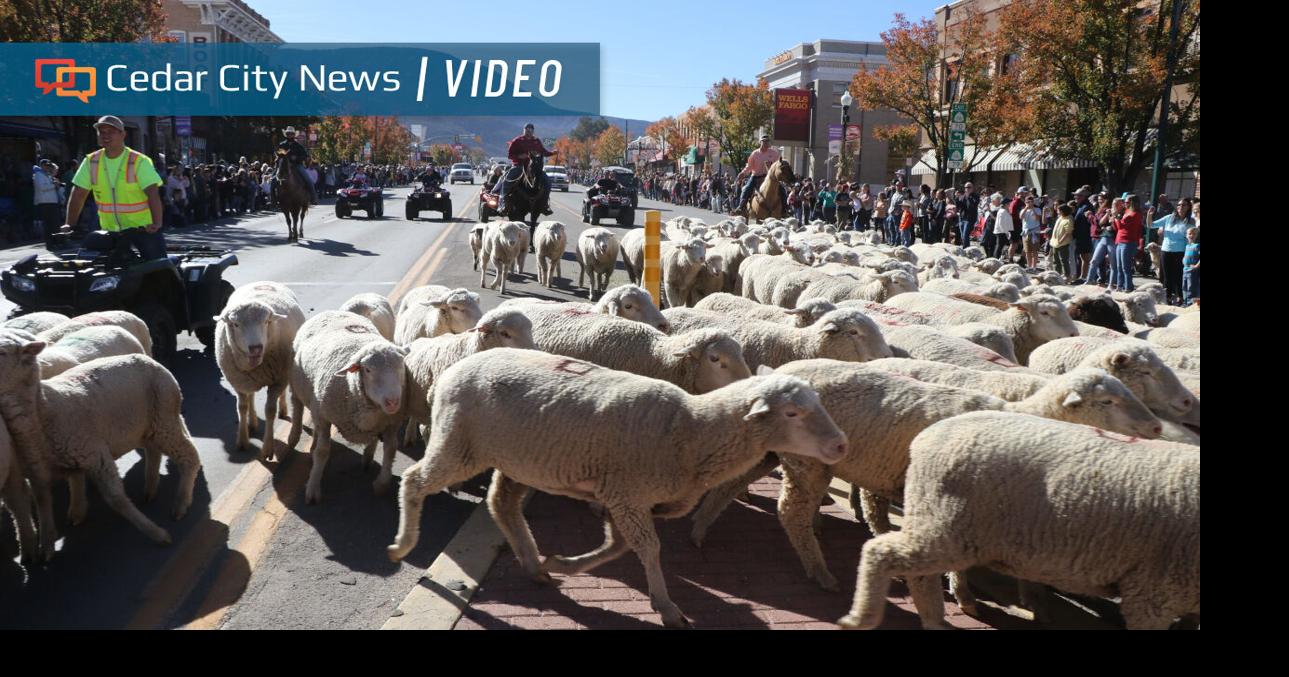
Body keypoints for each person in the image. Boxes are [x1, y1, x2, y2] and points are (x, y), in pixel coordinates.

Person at [61, 115, 166, 260]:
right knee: (93, 263)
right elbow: (78, 194)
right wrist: (69, 224)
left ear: (123, 134)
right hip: (110, 230)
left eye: (110, 132)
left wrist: (156, 223)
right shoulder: (91, 161)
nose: (105, 135)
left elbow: (152, 193)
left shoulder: (138, 161)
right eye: (101, 132)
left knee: (157, 267)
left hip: (143, 228)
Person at [495, 123, 556, 214]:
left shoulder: (536, 141)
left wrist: (553, 153)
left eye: (531, 130)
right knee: (506, 181)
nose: (529, 132)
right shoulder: (517, 141)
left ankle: (545, 204)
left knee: (547, 181)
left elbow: (544, 152)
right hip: (519, 166)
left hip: (534, 168)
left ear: (533, 131)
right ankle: (502, 203)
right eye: (527, 130)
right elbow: (510, 155)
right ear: (524, 130)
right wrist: (520, 156)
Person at [1154, 197, 1195, 305]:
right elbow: (1151, 225)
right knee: (1166, 276)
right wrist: (1149, 215)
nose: (1180, 207)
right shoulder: (1169, 218)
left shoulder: (1191, 221)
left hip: (1181, 251)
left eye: (1184, 205)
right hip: (1166, 250)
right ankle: (1166, 297)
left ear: (1188, 207)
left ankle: (1179, 297)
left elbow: (1193, 236)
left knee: (1178, 275)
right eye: (1179, 205)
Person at [735, 135, 786, 212]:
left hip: (769, 177)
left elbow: (778, 166)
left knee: (782, 190)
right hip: (756, 176)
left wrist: (773, 169)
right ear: (760, 142)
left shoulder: (774, 153)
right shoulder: (754, 154)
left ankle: (785, 209)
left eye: (767, 141)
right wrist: (743, 173)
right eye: (763, 141)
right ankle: (741, 207)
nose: (765, 143)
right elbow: (749, 166)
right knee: (747, 189)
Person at [1113, 194, 1144, 292]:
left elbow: (1122, 226)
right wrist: (1116, 219)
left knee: (1125, 266)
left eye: (1126, 202)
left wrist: (1116, 218)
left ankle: (1128, 287)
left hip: (1128, 242)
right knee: (1119, 266)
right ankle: (1119, 286)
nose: (1124, 204)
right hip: (1120, 240)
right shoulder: (1126, 212)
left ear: (1132, 203)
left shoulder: (1136, 214)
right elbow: (1118, 227)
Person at [276, 126, 315, 204]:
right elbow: (278, 155)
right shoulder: (282, 145)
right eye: (288, 134)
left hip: (297, 165)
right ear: (286, 134)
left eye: (291, 134)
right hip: (283, 166)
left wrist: (297, 158)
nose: (289, 135)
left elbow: (305, 156)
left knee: (308, 180)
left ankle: (313, 197)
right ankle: (274, 200)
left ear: (294, 135)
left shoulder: (298, 146)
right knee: (273, 181)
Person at [33, 159, 63, 248]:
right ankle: (50, 244)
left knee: (54, 224)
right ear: (41, 166)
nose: (47, 167)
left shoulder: (48, 175)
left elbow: (51, 187)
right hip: (45, 202)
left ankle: (55, 243)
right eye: (45, 165)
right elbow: (42, 188)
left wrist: (57, 185)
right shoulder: (38, 175)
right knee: (48, 225)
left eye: (48, 165)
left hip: (52, 202)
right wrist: (54, 185)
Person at [1050, 203, 1074, 279]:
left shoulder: (1069, 219)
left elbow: (1068, 232)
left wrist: (1061, 240)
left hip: (1063, 243)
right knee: (1055, 260)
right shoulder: (1060, 217)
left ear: (1063, 211)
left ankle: (1067, 275)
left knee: (1063, 260)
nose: (1057, 211)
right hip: (1055, 243)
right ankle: (1057, 274)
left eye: (1058, 210)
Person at [1019, 193, 1042, 269]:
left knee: (1034, 250)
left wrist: (1032, 209)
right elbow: (1021, 217)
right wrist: (1026, 208)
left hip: (1035, 232)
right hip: (1026, 232)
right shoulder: (1023, 210)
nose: (1029, 203)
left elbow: (1037, 219)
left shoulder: (1037, 209)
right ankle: (1029, 266)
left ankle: (1034, 267)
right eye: (1027, 202)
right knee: (1027, 250)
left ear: (1033, 202)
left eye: (1030, 202)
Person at [956, 181, 980, 246]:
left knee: (965, 234)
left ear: (972, 188)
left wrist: (968, 196)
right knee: (962, 236)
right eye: (966, 187)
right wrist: (957, 198)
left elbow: (972, 206)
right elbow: (958, 206)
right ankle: (966, 247)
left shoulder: (976, 196)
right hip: (962, 218)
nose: (967, 189)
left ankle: (966, 248)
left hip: (970, 219)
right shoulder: (963, 196)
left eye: (969, 187)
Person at [1182, 226, 1200, 306]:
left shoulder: (1197, 246)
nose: (1191, 235)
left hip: (1192, 271)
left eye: (1194, 234)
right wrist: (1183, 260)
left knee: (1191, 288)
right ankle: (1185, 302)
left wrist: (1196, 266)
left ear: (1197, 235)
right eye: (1189, 234)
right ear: (1186, 235)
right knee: (1184, 287)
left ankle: (1190, 304)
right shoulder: (1187, 246)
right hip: (1185, 269)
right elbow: (1186, 255)